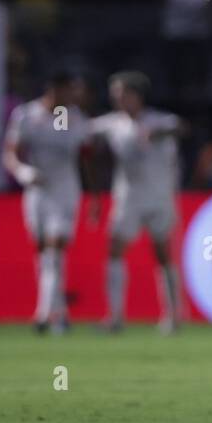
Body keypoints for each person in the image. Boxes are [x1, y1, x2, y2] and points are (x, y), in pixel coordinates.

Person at [89, 71, 187, 334]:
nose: (117, 98)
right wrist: (62, 115)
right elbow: (84, 132)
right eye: (115, 94)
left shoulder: (159, 120)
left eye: (122, 93)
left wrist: (156, 133)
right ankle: (115, 316)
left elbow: (181, 127)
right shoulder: (112, 124)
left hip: (159, 196)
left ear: (137, 95)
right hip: (128, 197)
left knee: (163, 253)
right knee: (115, 250)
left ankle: (173, 315)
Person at [4, 72, 90, 334]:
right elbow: (10, 153)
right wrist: (22, 172)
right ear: (53, 90)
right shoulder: (26, 116)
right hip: (38, 191)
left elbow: (86, 157)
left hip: (65, 190)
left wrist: (94, 193)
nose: (71, 97)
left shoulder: (75, 118)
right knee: (44, 253)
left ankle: (42, 315)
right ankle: (60, 313)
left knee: (55, 248)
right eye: (66, 91)